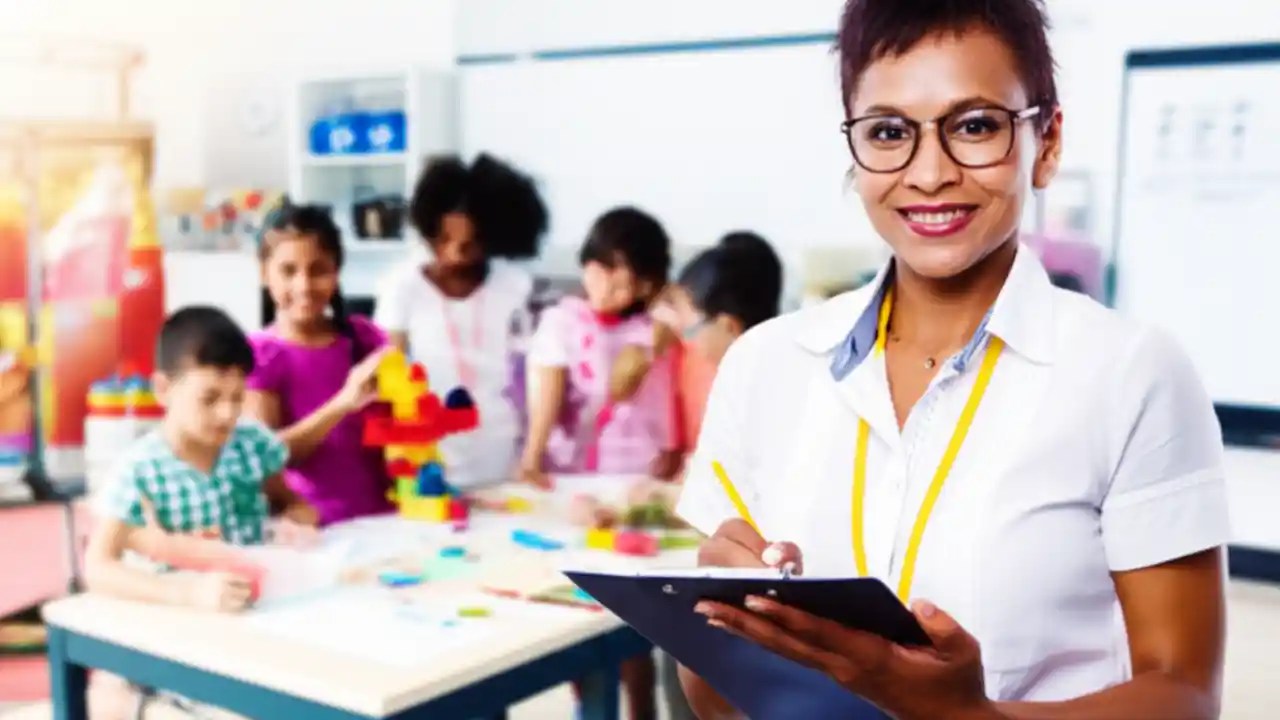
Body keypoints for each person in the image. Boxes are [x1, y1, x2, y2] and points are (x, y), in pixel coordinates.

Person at [676, 1, 1229, 718]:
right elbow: (715, 701)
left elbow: (1184, 695)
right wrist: (728, 634)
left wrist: (974, 718)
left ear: (1047, 141)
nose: (929, 173)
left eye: (974, 127)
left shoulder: (1131, 374)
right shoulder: (765, 366)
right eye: (888, 132)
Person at [83, 306, 316, 720]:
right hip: (179, 636)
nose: (227, 414)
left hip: (255, 628)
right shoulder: (139, 469)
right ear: (163, 390)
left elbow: (291, 503)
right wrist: (187, 593)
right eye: (209, 399)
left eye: (237, 399)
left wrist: (297, 522)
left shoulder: (250, 442)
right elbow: (98, 567)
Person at [375, 153, 548, 489]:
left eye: (468, 245)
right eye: (442, 240)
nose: (454, 252)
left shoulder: (516, 286)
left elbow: (537, 376)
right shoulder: (402, 287)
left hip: (503, 454)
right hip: (428, 457)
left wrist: (533, 454)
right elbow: (388, 375)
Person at [244, 204, 392, 527]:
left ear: (337, 271)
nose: (304, 285)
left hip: (388, 519)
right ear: (263, 272)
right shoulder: (260, 354)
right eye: (288, 271)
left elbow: (403, 421)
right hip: (315, 528)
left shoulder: (364, 337)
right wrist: (343, 402)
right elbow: (266, 457)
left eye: (318, 269)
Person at [519, 206, 681, 488]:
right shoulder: (562, 322)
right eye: (597, 274)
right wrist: (533, 456)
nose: (603, 291)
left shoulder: (654, 330)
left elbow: (665, 395)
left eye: (619, 287)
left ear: (644, 287)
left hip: (638, 471)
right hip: (571, 473)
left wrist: (670, 447)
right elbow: (547, 388)